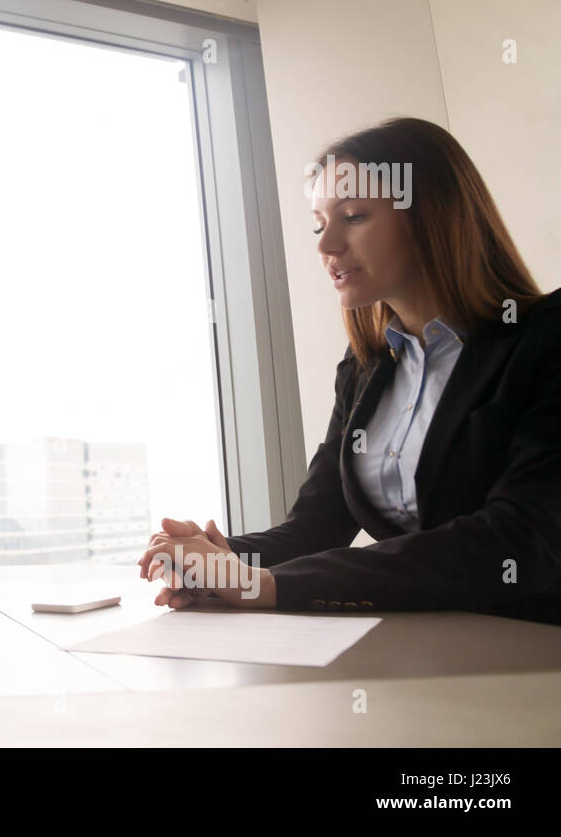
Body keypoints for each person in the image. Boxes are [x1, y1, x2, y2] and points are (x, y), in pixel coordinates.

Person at [137, 117, 560, 625]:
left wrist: (258, 585)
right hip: (434, 649)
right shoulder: (366, 367)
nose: (325, 245)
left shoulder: (545, 336)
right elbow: (315, 527)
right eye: (319, 224)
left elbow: (522, 539)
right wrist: (220, 560)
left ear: (433, 214)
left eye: (354, 215)